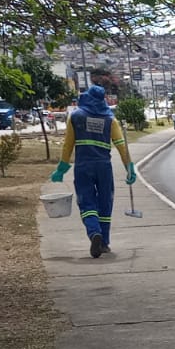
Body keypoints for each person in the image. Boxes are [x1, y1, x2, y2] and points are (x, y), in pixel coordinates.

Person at [51, 85, 134, 258]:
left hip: (83, 166)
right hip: (103, 166)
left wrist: (62, 168)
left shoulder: (76, 117)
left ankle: (94, 232)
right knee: (105, 202)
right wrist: (129, 167)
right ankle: (103, 242)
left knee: (87, 202)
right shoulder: (110, 120)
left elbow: (68, 145)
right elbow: (121, 145)